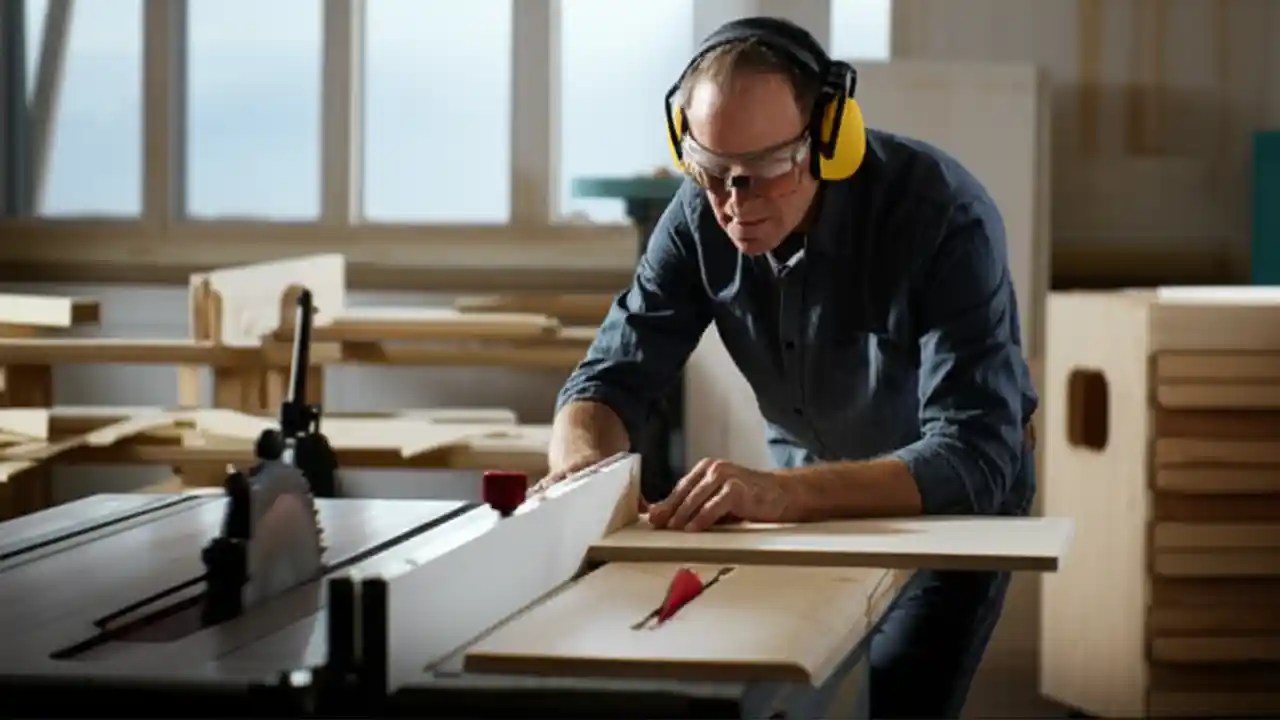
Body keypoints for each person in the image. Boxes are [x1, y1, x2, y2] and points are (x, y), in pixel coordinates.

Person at [538, 15, 1038, 719]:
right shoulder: (697, 217)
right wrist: (579, 474)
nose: (733, 205)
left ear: (831, 139)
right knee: (774, 685)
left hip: (945, 501)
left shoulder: (942, 214)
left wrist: (782, 495)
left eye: (764, 172)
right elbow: (607, 381)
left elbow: (976, 456)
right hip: (805, 480)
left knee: (902, 696)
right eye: (711, 173)